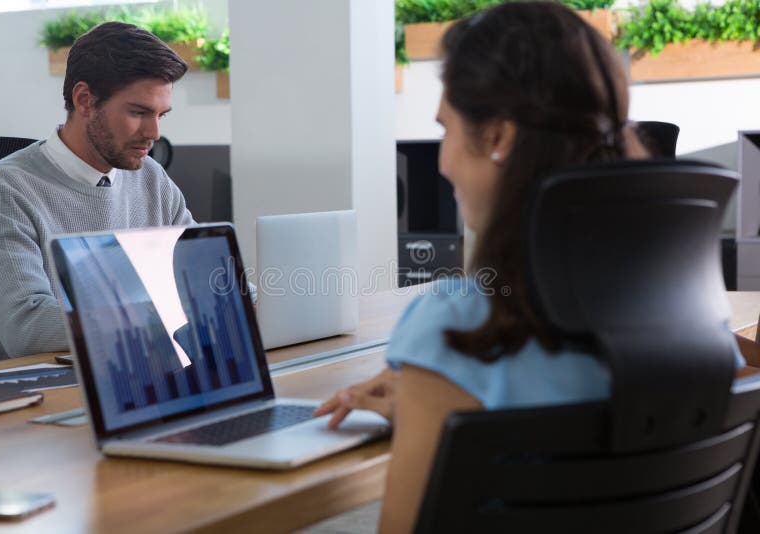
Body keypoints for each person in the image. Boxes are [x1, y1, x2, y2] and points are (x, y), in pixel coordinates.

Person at [315, 3, 747, 532]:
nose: (443, 160)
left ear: (497, 137)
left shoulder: (456, 326)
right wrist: (435, 410)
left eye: (445, 130)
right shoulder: (701, 321)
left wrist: (437, 395)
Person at [0, 22, 193, 366]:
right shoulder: (2, 189)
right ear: (84, 100)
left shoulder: (150, 178)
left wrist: (244, 300)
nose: (154, 132)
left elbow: (199, 275)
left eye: (160, 115)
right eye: (139, 112)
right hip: (19, 395)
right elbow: (27, 328)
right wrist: (159, 314)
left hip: (124, 370)